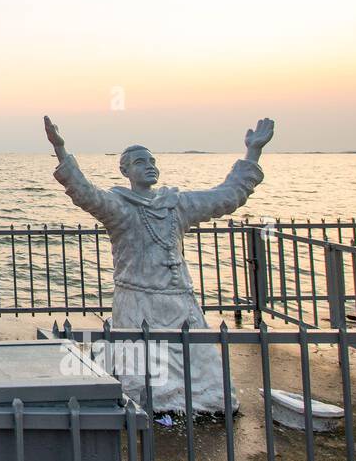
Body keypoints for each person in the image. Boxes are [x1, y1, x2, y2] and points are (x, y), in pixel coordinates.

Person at [43, 116, 275, 412]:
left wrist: (253, 152)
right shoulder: (120, 208)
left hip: (179, 303)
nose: (149, 165)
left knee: (207, 385)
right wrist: (60, 149)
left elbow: (227, 196)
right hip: (138, 302)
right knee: (141, 379)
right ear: (125, 170)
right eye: (140, 162)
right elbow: (85, 193)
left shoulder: (177, 204)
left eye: (152, 160)